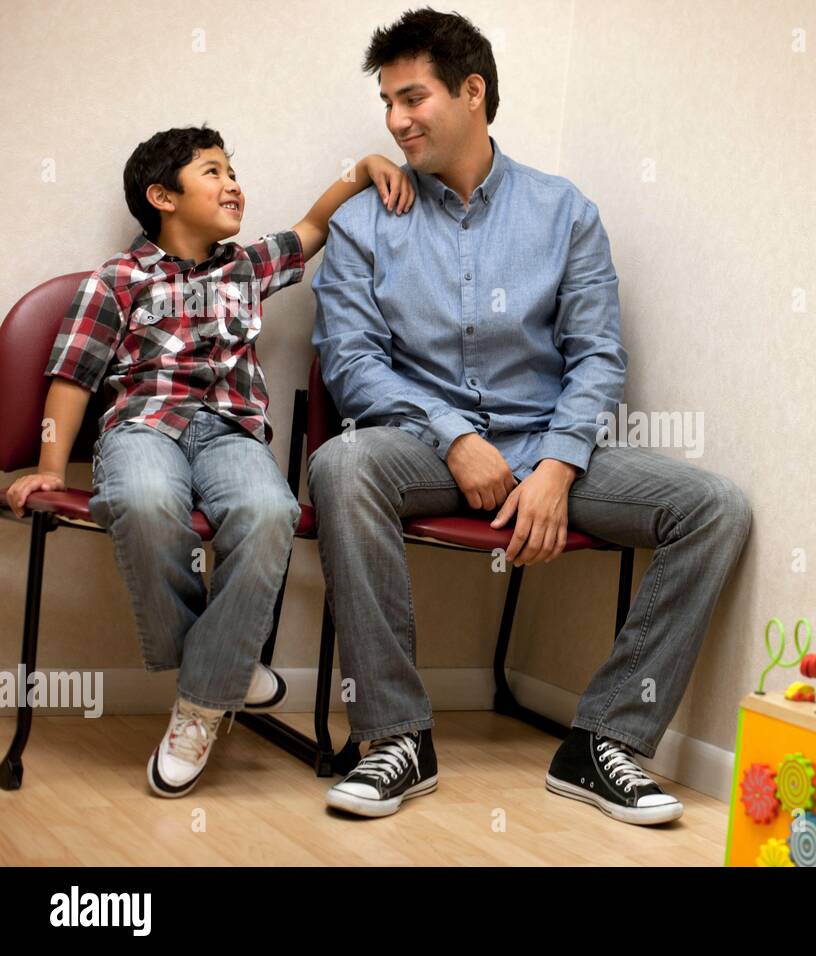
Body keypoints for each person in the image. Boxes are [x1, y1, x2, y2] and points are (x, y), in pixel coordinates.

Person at [311, 8, 752, 825]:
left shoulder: (564, 212)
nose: (396, 120)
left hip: (546, 448)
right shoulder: (364, 222)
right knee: (340, 465)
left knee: (714, 509)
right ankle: (396, 739)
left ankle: (602, 743)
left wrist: (557, 464)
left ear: (472, 91)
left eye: (413, 98)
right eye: (387, 104)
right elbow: (352, 364)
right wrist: (454, 437)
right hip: (418, 451)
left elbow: (597, 357)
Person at [4, 125, 413, 798]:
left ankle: (200, 703)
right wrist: (51, 463)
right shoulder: (117, 278)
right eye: (213, 172)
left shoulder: (248, 266)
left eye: (233, 170)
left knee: (269, 508)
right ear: (162, 197)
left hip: (231, 434)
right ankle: (228, 667)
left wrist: (364, 168)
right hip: (143, 428)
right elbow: (72, 378)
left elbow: (314, 224)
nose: (232, 183)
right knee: (139, 499)